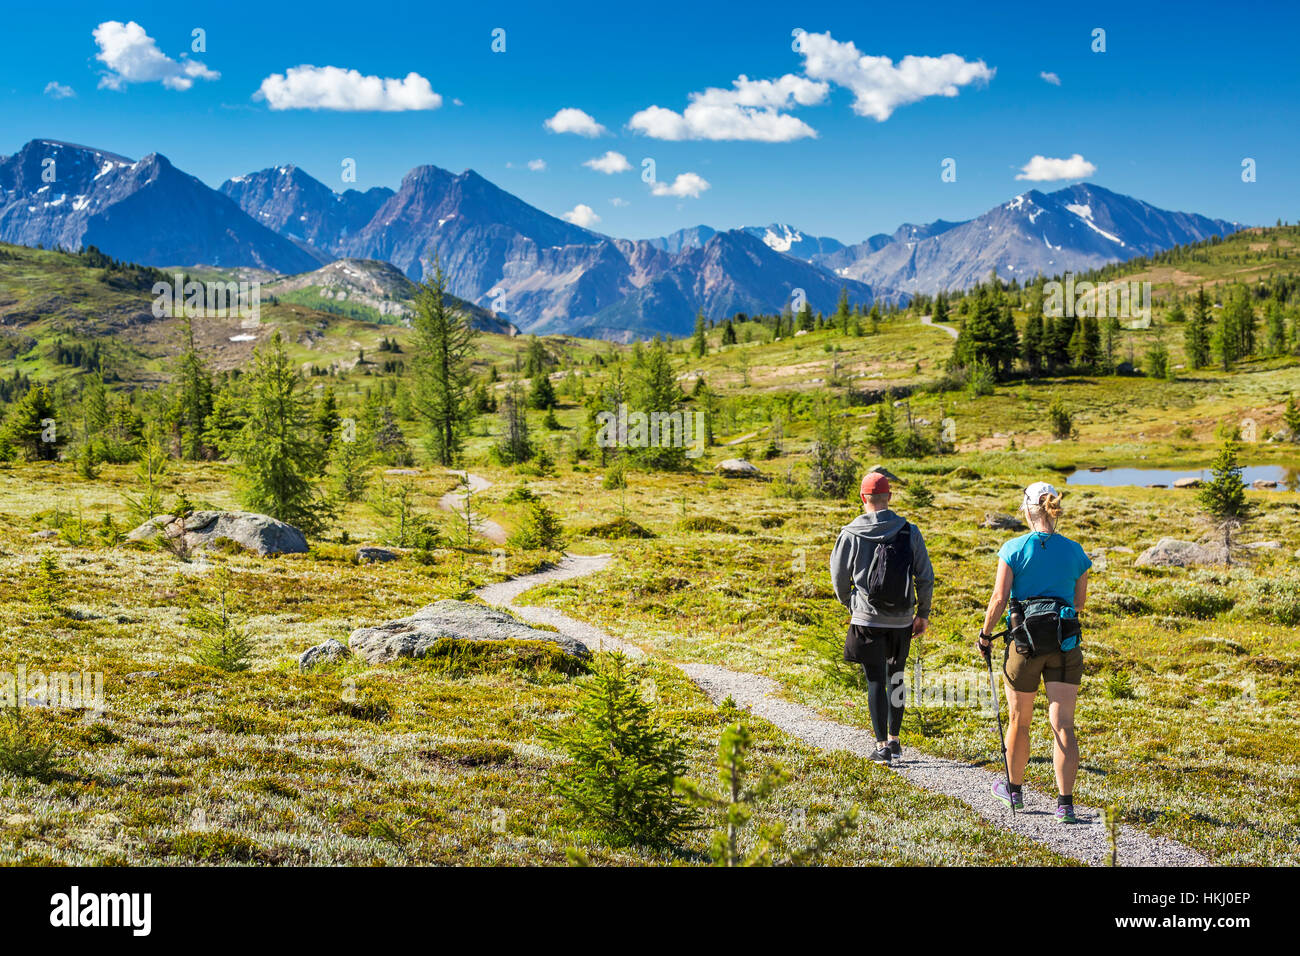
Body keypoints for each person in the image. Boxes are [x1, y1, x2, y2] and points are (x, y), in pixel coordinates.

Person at [978, 481, 1091, 823]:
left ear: (1027, 510)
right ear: (1055, 510)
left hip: (1024, 646)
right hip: (1064, 644)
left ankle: (1014, 790)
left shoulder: (1012, 548)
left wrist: (985, 636)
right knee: (1064, 725)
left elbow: (999, 599)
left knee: (1019, 721)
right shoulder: (1076, 552)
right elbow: (1079, 603)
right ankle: (1065, 804)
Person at [831, 471, 934, 766]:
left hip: (866, 618)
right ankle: (896, 741)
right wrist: (922, 614)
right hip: (902, 620)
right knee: (897, 676)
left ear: (863, 498)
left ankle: (880, 748)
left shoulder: (850, 533)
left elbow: (839, 577)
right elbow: (925, 576)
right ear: (889, 497)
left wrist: (851, 603)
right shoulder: (909, 531)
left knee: (875, 679)